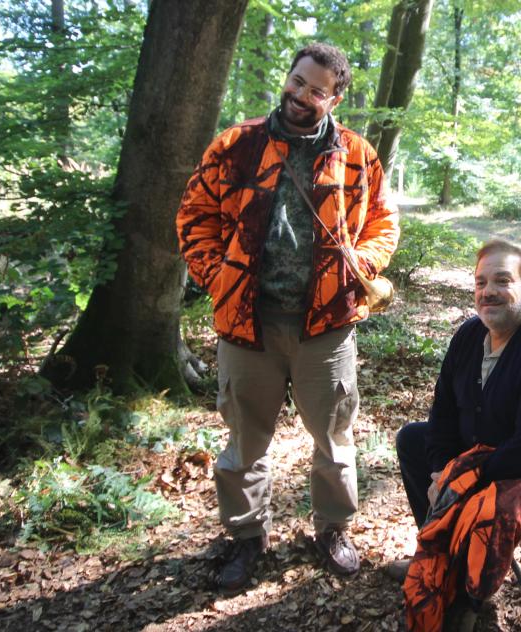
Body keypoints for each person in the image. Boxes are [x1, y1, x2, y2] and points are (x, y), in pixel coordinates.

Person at [175, 42, 399, 591]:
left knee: (333, 439)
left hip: (326, 323)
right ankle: (246, 537)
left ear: (335, 97)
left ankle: (333, 529)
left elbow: (383, 223)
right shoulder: (236, 144)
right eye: (297, 81)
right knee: (244, 440)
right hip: (246, 322)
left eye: (316, 90)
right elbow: (194, 215)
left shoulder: (356, 153)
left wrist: (360, 264)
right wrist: (216, 274)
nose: (301, 95)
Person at [395, 240, 521, 630]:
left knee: (489, 500)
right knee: (412, 441)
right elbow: (441, 412)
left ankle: (468, 594)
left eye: (502, 280)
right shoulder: (470, 335)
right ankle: (438, 556)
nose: (487, 291)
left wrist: (458, 482)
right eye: (480, 282)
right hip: (488, 450)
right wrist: (442, 468)